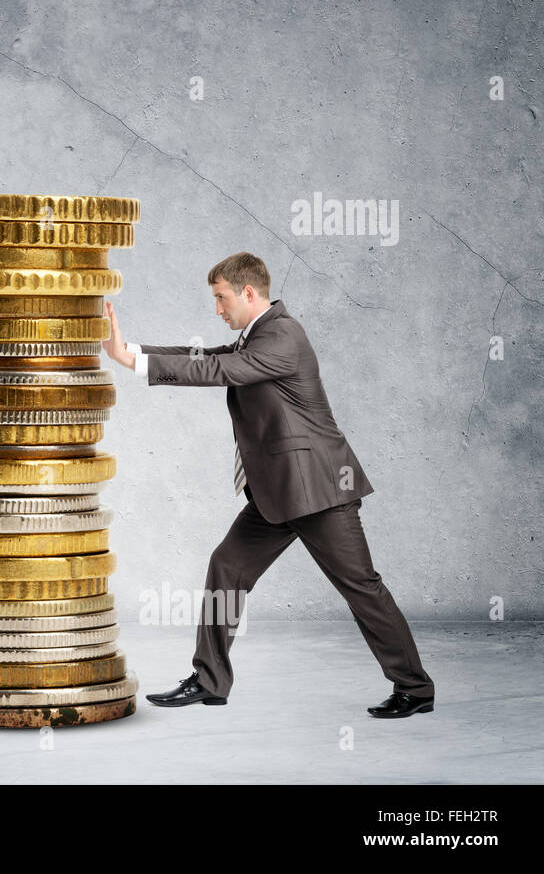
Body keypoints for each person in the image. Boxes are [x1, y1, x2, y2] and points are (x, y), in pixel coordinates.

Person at [103, 252, 435, 718]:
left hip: (319, 493)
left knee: (361, 588)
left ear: (248, 293)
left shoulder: (283, 334)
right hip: (278, 493)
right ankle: (209, 680)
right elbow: (209, 356)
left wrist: (135, 364)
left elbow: (220, 371)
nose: (217, 309)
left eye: (221, 298)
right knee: (227, 568)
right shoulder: (257, 336)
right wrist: (130, 352)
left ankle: (415, 689)